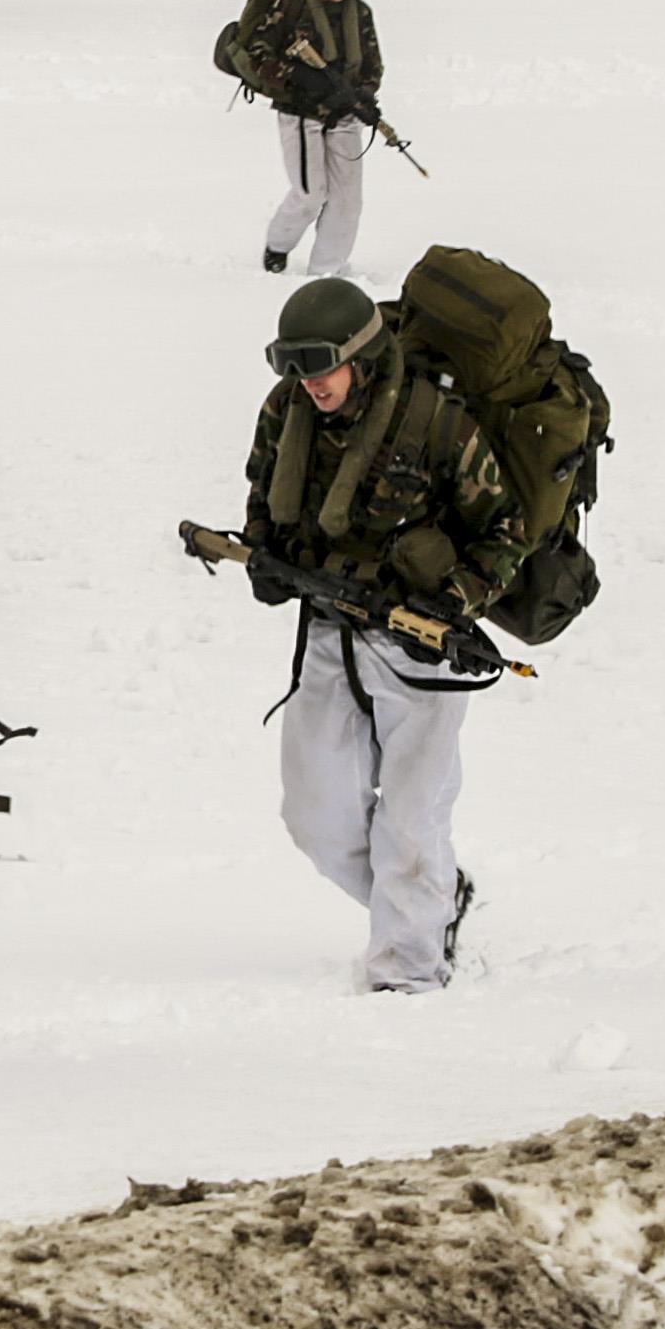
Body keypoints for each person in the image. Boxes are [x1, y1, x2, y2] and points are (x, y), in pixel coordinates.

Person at [218, 277, 518, 994]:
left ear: (362, 354)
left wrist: (452, 603)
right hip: (331, 630)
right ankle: (435, 900)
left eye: (320, 364)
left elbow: (503, 533)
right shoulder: (285, 411)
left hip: (421, 652)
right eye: (292, 364)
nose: (308, 381)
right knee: (313, 815)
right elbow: (264, 489)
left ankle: (409, 977)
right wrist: (264, 553)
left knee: (413, 819)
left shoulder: (439, 424)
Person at [249, 0, 386, 280]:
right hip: (300, 113)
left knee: (348, 201)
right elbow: (259, 53)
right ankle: (277, 247)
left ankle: (327, 273)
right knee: (311, 195)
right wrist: (298, 77)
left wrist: (366, 95)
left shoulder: (360, 13)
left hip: (344, 115)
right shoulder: (292, 7)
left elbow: (372, 64)